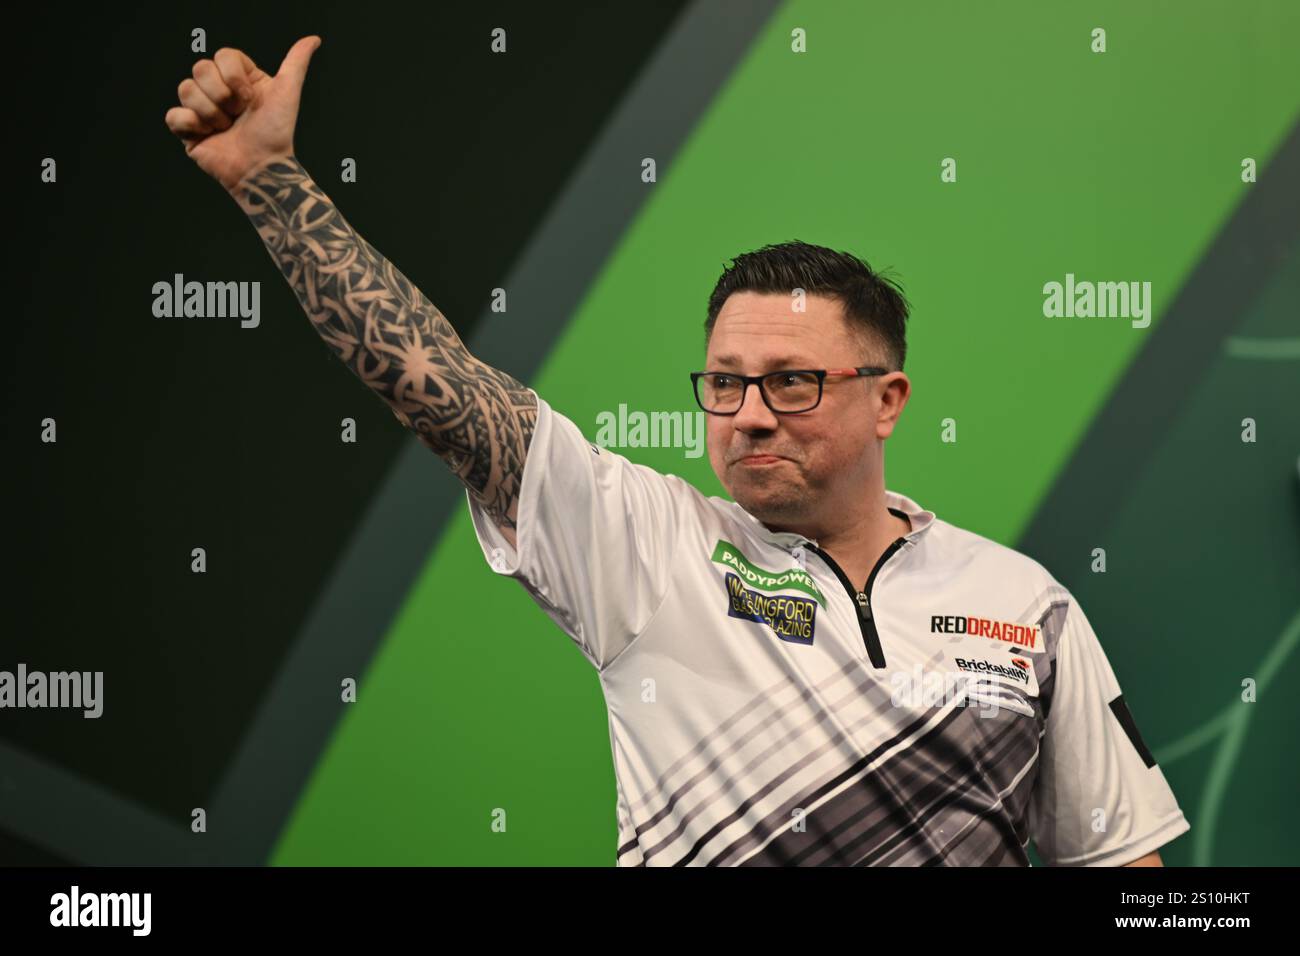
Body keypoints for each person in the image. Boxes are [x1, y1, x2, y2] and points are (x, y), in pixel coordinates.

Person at [166, 36, 1191, 867]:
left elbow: (1124, 870)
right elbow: (440, 389)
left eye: (792, 381)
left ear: (889, 401)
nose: (748, 414)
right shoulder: (643, 545)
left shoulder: (1026, 603)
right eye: (725, 383)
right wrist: (270, 180)